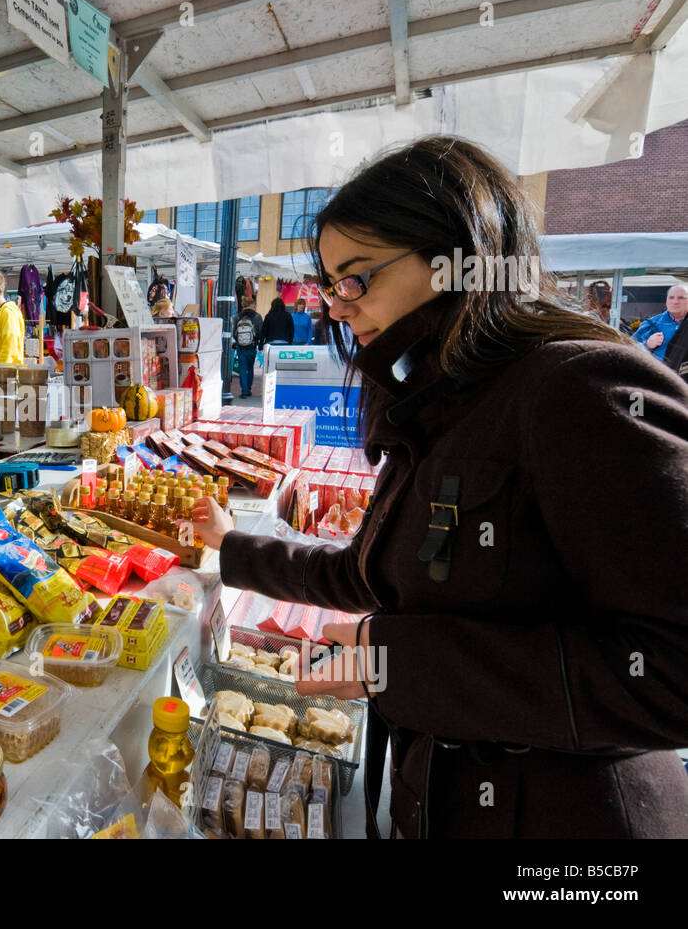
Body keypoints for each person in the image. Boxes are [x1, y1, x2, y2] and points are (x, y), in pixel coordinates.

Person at [191, 135, 688, 839]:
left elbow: (671, 669)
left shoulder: (577, 389)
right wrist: (233, 549)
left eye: (356, 277)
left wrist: (399, 662)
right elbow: (372, 571)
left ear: (456, 260)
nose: (336, 306)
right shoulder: (442, 400)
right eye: (331, 284)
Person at [632, 284, 687, 361]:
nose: (675, 302)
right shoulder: (651, 324)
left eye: (681, 298)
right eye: (671, 297)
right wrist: (647, 345)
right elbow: (630, 350)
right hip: (657, 372)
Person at [233, 294, 263, 397]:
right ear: (251, 304)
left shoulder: (237, 316)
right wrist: (258, 342)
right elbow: (260, 332)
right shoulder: (257, 316)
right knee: (250, 368)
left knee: (242, 368)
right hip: (252, 346)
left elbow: (234, 332)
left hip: (240, 347)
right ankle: (249, 388)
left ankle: (244, 390)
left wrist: (239, 341)